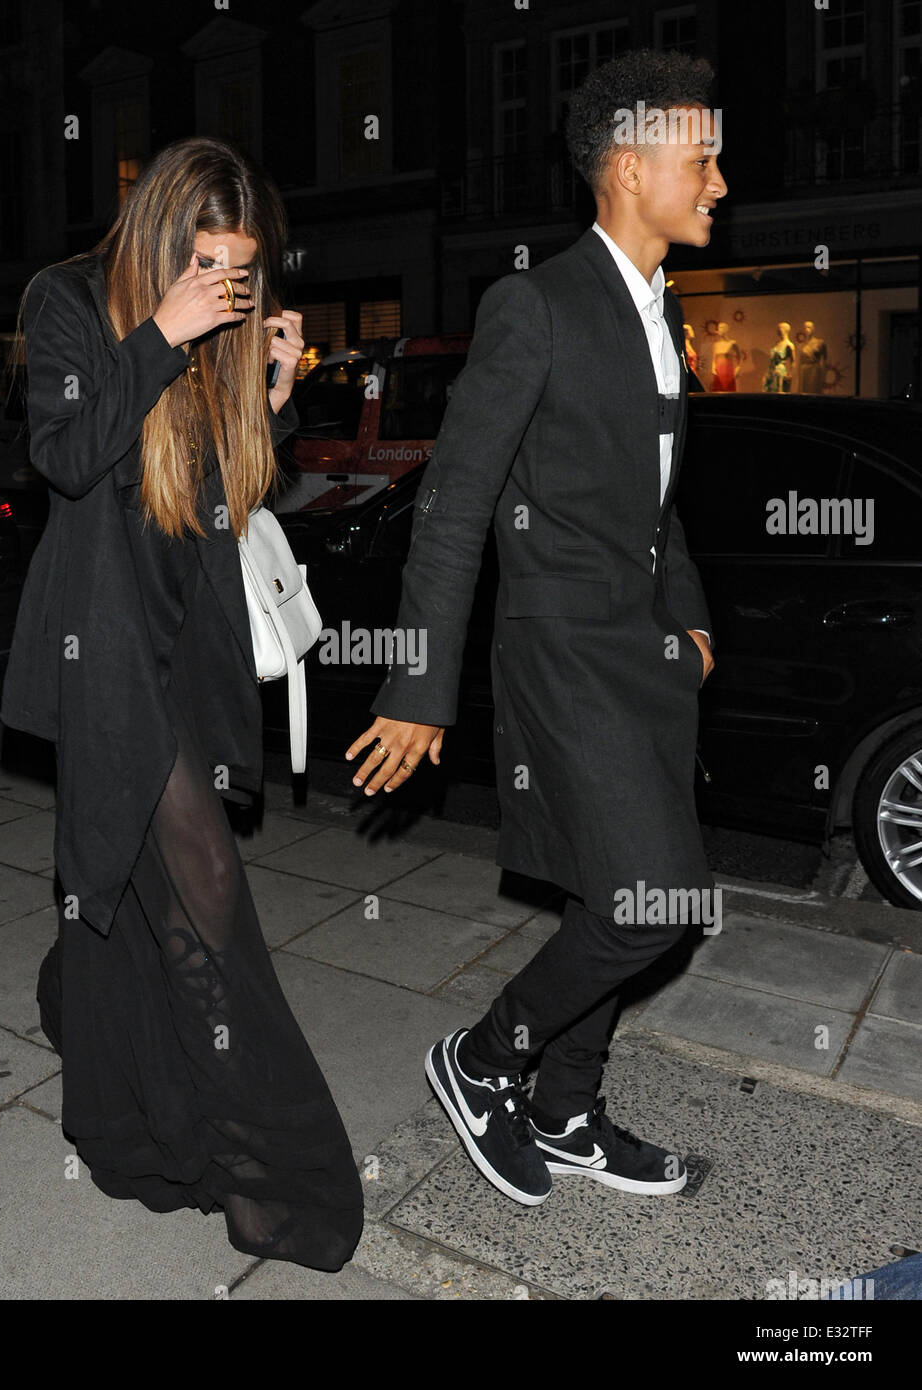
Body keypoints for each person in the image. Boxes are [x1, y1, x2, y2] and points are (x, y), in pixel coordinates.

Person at [346, 49, 724, 1206]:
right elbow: (455, 503)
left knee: (611, 893)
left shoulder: (658, 314)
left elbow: (653, 502)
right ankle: (484, 1056)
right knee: (654, 901)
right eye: (699, 156)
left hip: (645, 658)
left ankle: (566, 1109)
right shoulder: (538, 304)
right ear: (626, 165)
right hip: (563, 659)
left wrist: (693, 616)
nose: (717, 181)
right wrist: (416, 684)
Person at [0, 136, 363, 1271]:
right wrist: (167, 329)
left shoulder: (214, 332)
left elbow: (228, 495)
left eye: (238, 268)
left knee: (123, 894)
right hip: (103, 651)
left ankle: (119, 1100)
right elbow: (66, 452)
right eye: (204, 257)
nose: (221, 279)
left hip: (185, 642)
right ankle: (275, 1183)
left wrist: (271, 393)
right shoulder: (68, 301)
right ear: (162, 235)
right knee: (204, 886)